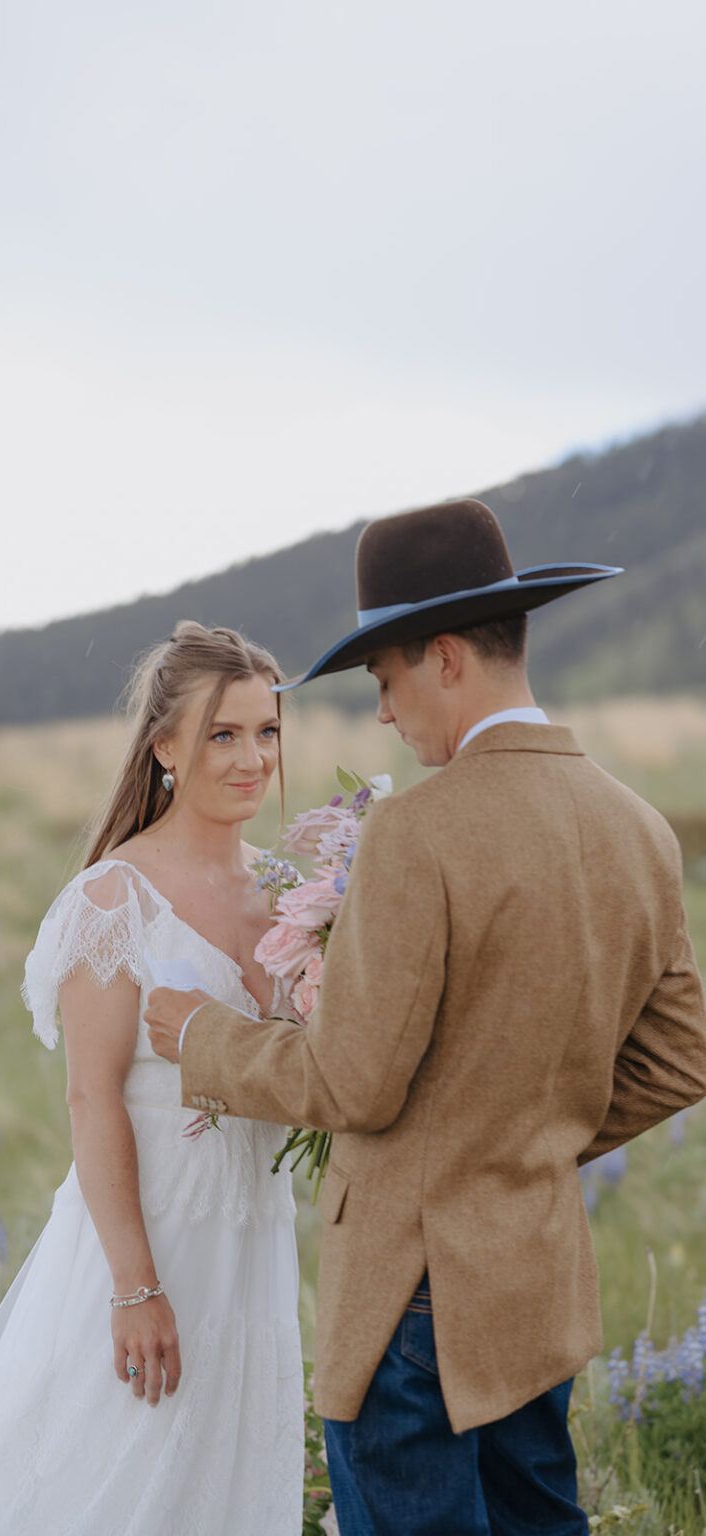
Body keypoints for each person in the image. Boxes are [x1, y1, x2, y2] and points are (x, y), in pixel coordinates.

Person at [145, 499, 706, 1536]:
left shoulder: (415, 833)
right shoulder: (638, 829)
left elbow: (350, 1083)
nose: (384, 716)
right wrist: (517, 1141)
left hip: (411, 1300)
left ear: (444, 657)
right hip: (532, 1281)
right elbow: (681, 1059)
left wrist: (196, 1036)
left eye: (385, 680)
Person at [0, 621, 304, 1536]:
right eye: (223, 734)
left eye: (267, 731)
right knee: (105, 1483)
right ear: (165, 748)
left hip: (253, 1238)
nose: (251, 757)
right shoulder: (117, 898)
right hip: (145, 1238)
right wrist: (135, 1288)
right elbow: (91, 1096)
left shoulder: (293, 892)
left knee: (216, 1482)